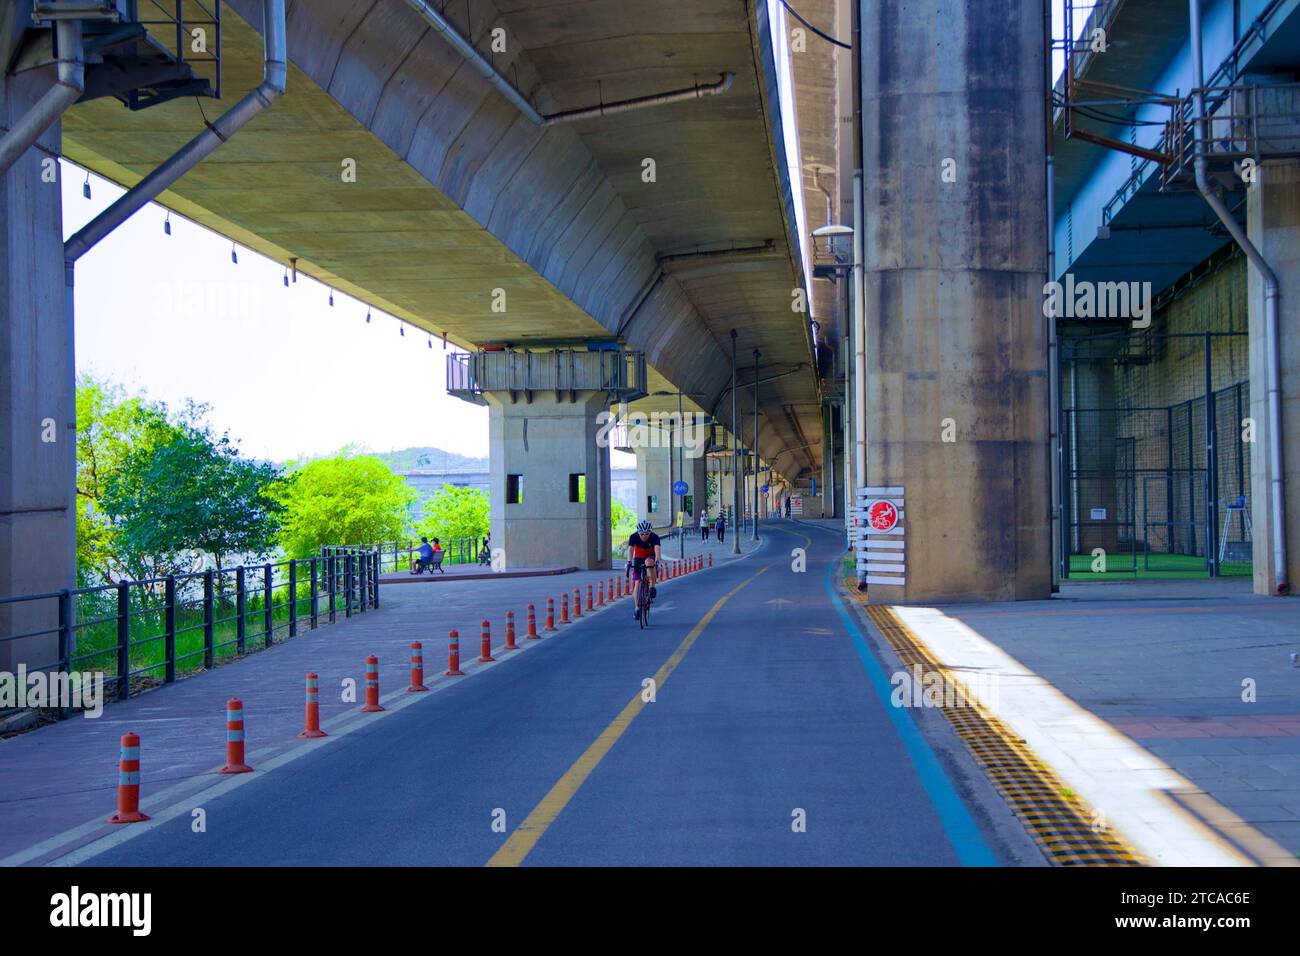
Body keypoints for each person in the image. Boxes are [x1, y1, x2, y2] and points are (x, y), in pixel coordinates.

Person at [628, 519, 661, 622]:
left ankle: (652, 587)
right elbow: (630, 550)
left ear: (650, 532)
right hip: (638, 557)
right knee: (637, 582)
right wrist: (629, 562)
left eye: (646, 533)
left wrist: (657, 561)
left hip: (650, 556)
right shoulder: (633, 537)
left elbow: (657, 550)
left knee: (649, 563)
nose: (644, 536)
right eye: (642, 534)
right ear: (638, 532)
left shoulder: (654, 537)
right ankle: (637, 608)